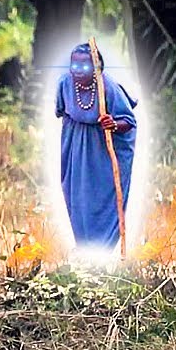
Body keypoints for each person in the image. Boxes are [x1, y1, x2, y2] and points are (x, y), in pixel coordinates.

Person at [55, 43, 138, 250]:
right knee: (77, 194)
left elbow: (129, 121)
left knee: (102, 196)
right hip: (76, 147)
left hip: (102, 151)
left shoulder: (107, 87)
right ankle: (84, 247)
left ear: (96, 68)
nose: (77, 71)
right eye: (74, 65)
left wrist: (113, 124)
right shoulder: (64, 84)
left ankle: (105, 247)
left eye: (84, 67)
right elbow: (62, 111)